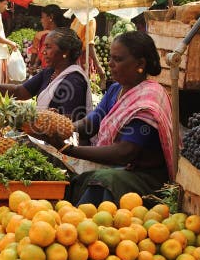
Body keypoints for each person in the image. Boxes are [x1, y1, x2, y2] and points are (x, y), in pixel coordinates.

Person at [49, 31, 176, 205]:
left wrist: (67, 149)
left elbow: (123, 152)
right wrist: (61, 127)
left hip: (145, 177)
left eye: (118, 59)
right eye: (110, 58)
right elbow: (92, 122)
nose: (110, 64)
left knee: (103, 180)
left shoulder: (149, 98)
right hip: (119, 169)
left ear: (140, 64)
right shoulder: (116, 89)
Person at [0, 27, 91, 121]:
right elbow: (20, 92)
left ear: (65, 52)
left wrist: (46, 118)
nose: (43, 52)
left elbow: (69, 121)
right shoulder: (50, 72)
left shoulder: (74, 81)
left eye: (48, 47)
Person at [70, 8, 107, 89]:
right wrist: (99, 68)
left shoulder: (76, 20)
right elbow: (89, 45)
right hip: (83, 59)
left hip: (73, 59)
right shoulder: (90, 20)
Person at [29, 4, 62, 71]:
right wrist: (35, 66)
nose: (41, 20)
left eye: (42, 17)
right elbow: (41, 54)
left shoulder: (55, 37)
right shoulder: (44, 36)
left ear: (51, 17)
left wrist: (34, 65)